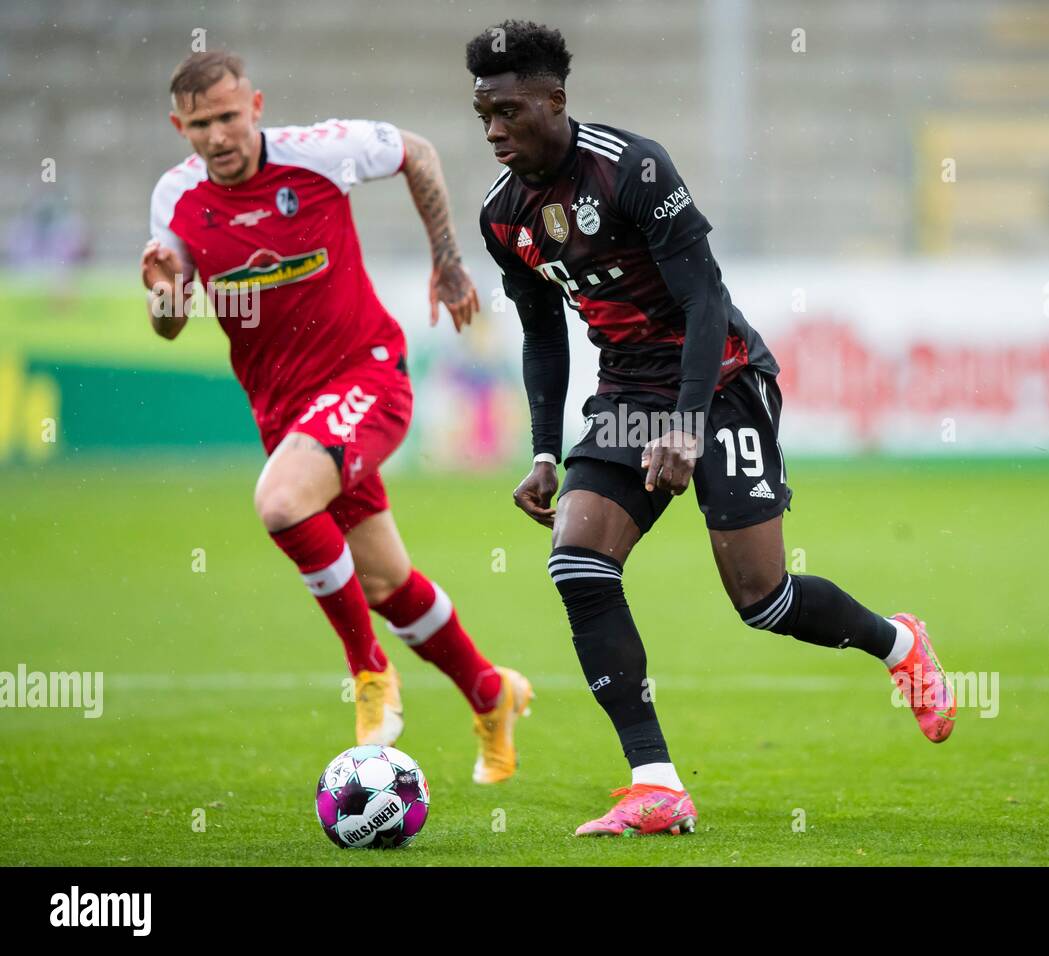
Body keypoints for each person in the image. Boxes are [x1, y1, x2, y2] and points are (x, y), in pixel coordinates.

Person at [470, 21, 956, 835]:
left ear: (555, 100)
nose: (493, 131)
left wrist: (688, 425)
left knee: (760, 601)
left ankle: (898, 644)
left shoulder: (632, 168)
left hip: (721, 382)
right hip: (626, 392)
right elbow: (543, 335)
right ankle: (655, 783)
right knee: (579, 563)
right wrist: (545, 451)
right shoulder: (501, 217)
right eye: (483, 112)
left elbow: (704, 300)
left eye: (509, 111)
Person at [142, 50, 530, 784]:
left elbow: (417, 153)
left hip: (366, 375)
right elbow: (170, 321)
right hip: (284, 410)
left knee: (281, 502)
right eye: (200, 125)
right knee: (385, 583)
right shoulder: (175, 199)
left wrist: (445, 260)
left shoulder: (318, 153)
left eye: (229, 116)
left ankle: (368, 670)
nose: (218, 136)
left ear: (255, 106)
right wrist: (164, 298)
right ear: (179, 126)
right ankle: (490, 692)